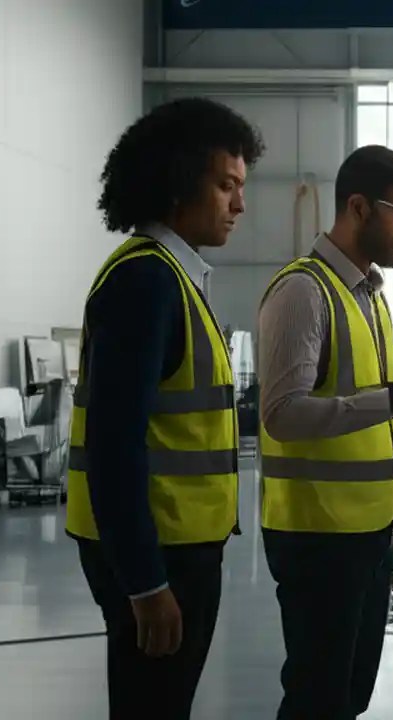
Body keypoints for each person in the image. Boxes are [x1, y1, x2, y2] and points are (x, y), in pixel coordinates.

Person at [65, 97, 264, 720]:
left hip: (179, 545)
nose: (239, 204)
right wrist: (146, 583)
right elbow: (114, 444)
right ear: (179, 181)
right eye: (226, 185)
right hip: (159, 553)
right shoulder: (145, 281)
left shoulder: (173, 278)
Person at [256, 145, 393, 719]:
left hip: (366, 535)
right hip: (317, 537)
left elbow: (374, 435)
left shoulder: (370, 296)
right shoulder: (304, 291)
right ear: (357, 207)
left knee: (348, 697)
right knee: (317, 698)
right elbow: (283, 413)